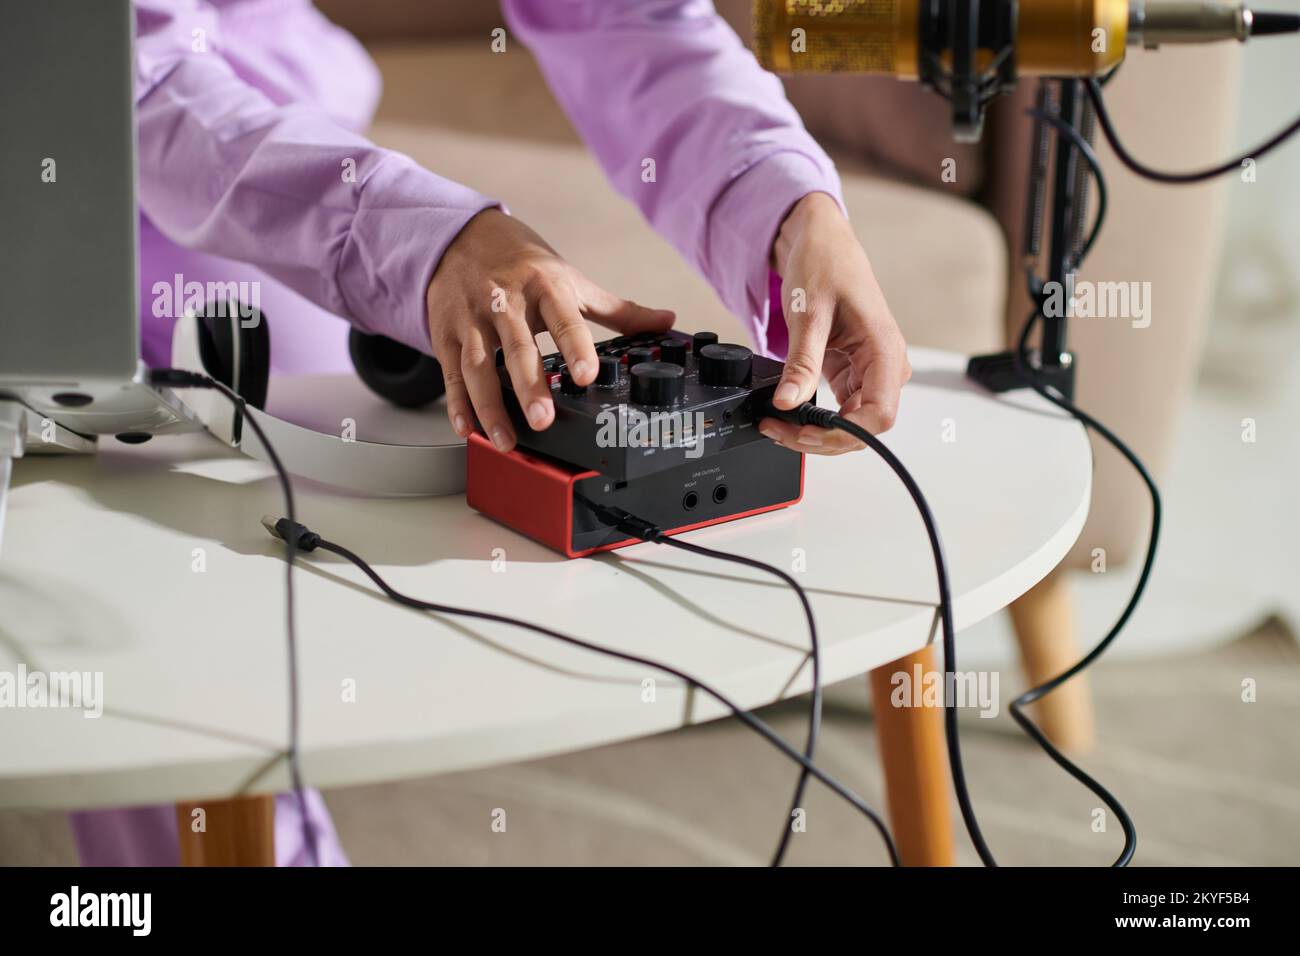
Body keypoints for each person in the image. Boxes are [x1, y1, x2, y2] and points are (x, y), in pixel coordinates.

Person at [72, 0, 911, 866]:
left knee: (351, 491)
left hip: (263, 103)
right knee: (197, 548)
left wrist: (791, 209)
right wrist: (430, 241)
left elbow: (629, 22)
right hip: (83, 122)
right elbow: (134, 70)